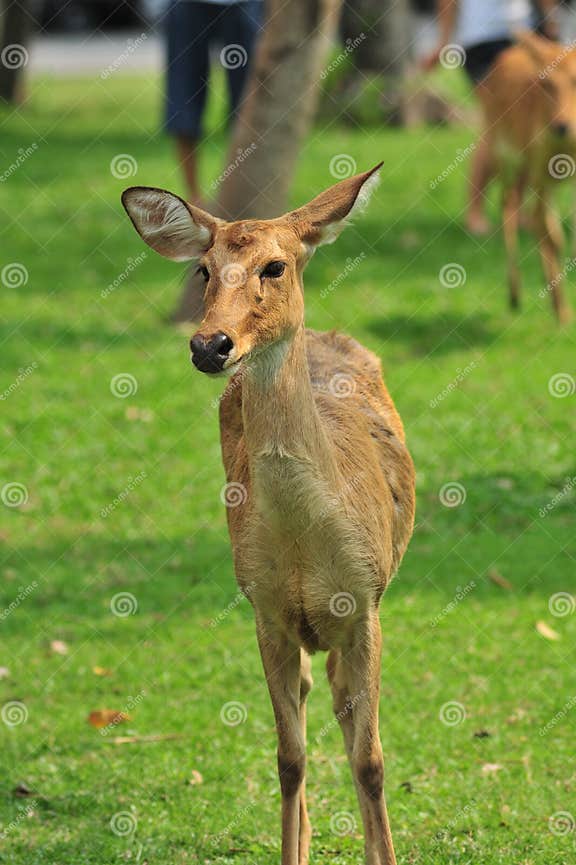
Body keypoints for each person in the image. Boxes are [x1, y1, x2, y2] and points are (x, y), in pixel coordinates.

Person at [423, 0, 560, 235]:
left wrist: (548, 22)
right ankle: (475, 212)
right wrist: (442, 42)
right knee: (494, 128)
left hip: (522, 36)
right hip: (484, 43)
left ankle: (516, 210)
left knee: (524, 131)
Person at [164, 0, 263, 205]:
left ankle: (240, 198)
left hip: (244, 5)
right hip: (187, 6)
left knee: (249, 106)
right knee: (183, 98)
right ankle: (193, 200)